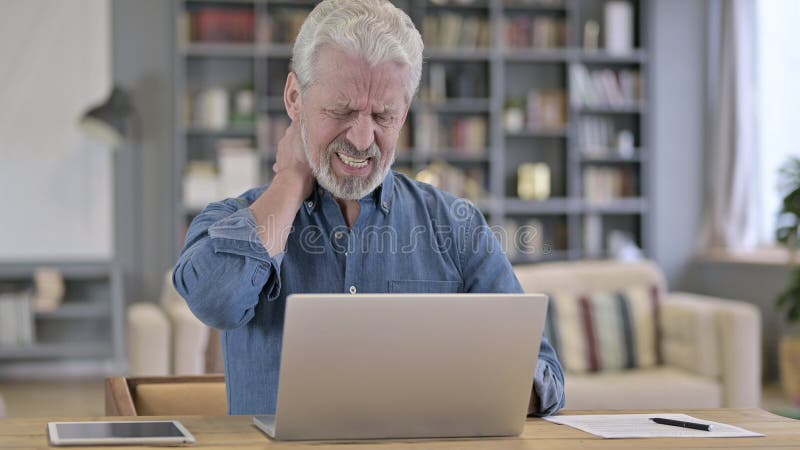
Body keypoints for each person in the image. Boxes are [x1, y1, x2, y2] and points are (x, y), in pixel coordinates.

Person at [173, 0, 565, 417]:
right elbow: (215, 301)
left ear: (404, 114)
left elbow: (547, 380)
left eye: (383, 116)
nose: (362, 140)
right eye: (341, 111)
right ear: (295, 98)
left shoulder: (457, 225)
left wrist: (466, 380)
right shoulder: (228, 219)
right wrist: (289, 181)